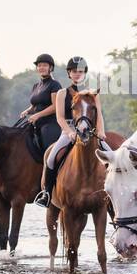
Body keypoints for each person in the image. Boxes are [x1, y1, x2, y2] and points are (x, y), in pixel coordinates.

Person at [33, 57, 110, 207]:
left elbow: (99, 114)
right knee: (51, 159)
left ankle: (113, 192)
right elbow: (60, 118)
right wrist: (69, 132)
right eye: (74, 71)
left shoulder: (93, 94)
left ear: (85, 73)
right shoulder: (62, 93)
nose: (77, 74)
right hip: (69, 131)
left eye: (80, 71)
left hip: (91, 132)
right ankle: (47, 193)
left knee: (112, 155)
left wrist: (101, 131)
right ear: (69, 73)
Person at [20, 53, 63, 151]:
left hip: (50, 124)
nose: (41, 67)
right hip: (36, 123)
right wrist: (27, 111)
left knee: (46, 145)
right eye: (39, 65)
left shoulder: (54, 85)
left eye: (44, 65)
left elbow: (55, 106)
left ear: (50, 67)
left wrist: (38, 115)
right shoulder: (36, 86)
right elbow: (35, 105)